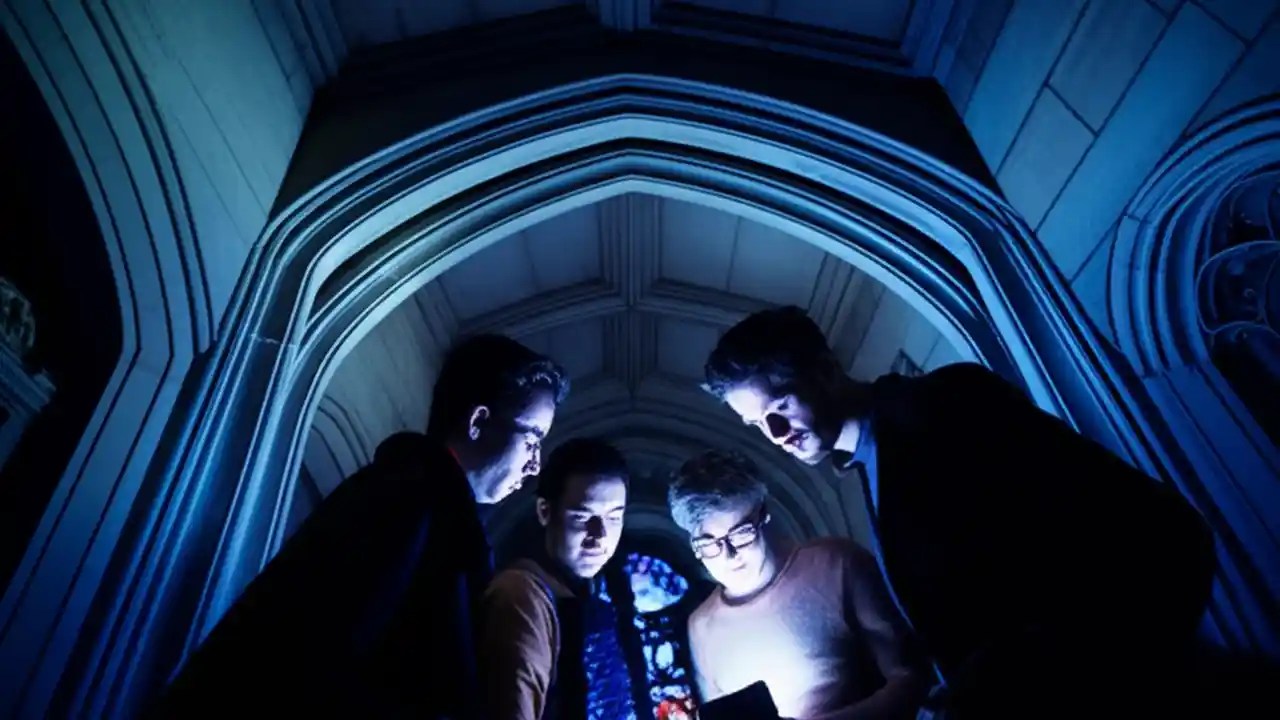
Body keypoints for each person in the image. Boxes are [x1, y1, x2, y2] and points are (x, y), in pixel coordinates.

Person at [699, 306, 1216, 717]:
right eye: (758, 424)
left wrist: (1054, 666)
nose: (777, 436)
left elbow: (1156, 530)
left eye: (781, 406)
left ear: (827, 370)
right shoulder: (870, 465)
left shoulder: (946, 406)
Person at [148, 334, 569, 718]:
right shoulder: (407, 503)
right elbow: (318, 661)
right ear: (477, 422)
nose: (534, 464)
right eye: (531, 439)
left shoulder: (420, 504)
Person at [670, 449, 927, 720]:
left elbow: (911, 680)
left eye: (741, 533)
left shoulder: (837, 565)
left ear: (763, 516)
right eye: (709, 544)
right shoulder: (702, 627)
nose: (728, 554)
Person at [479, 437, 645, 720]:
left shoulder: (595, 595)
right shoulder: (521, 595)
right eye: (582, 517)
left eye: (613, 517)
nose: (600, 536)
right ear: (545, 511)